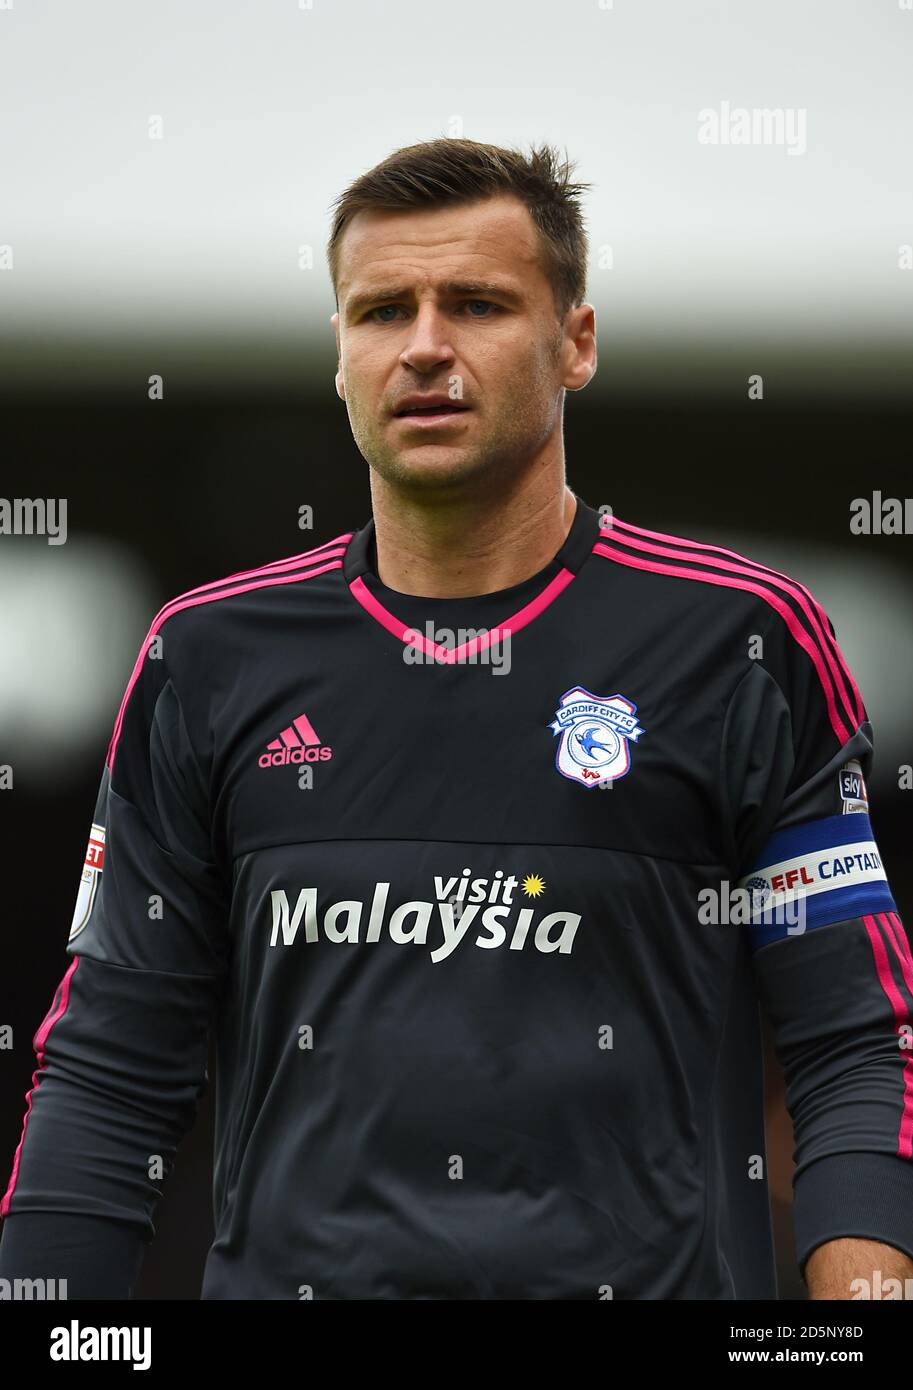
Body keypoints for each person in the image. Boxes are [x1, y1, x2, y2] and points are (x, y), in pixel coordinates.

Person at [1, 137, 911, 1300]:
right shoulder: (208, 655)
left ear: (575, 342)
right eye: (382, 310)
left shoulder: (742, 639)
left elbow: (856, 1040)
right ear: (340, 355)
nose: (424, 346)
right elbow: (108, 1065)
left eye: (476, 303)